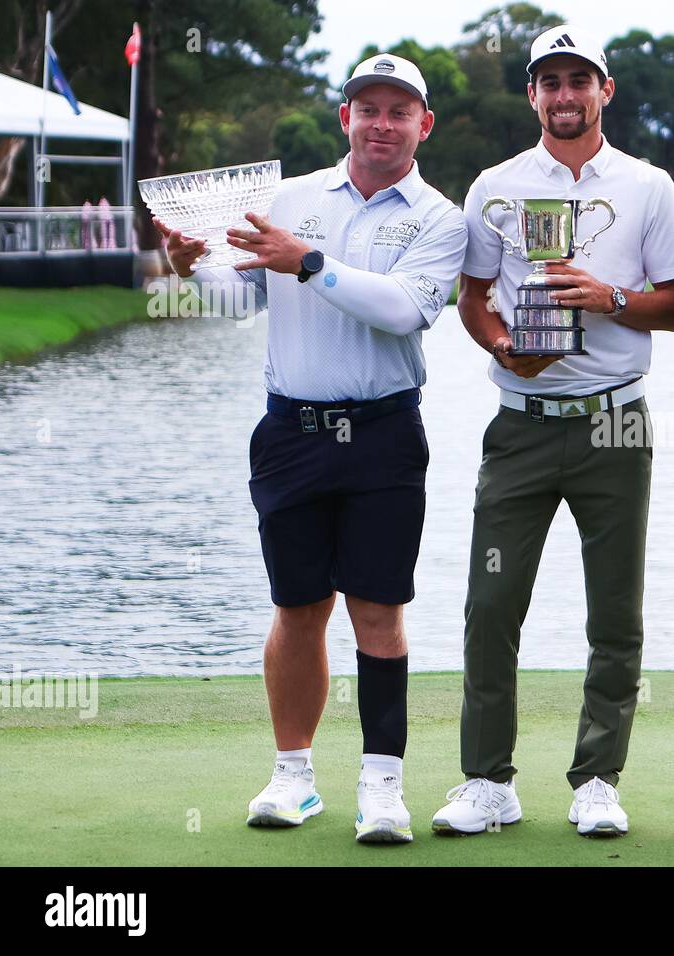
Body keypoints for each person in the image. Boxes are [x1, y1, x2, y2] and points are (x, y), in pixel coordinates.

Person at [154, 53, 467, 845]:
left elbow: (402, 311)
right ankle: (293, 777)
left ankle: (382, 786)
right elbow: (242, 295)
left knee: (377, 611)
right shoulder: (288, 200)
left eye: (400, 111)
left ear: (423, 126)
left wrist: (313, 262)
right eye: (369, 108)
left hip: (384, 435)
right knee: (297, 609)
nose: (383, 123)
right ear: (346, 120)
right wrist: (190, 268)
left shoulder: (439, 217)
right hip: (290, 432)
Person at [430, 25, 674, 838]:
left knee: (615, 611)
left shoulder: (647, 186)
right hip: (521, 421)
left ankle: (598, 778)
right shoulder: (494, 186)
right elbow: (474, 297)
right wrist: (505, 345)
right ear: (533, 94)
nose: (566, 95)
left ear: (604, 91)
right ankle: (487, 780)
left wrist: (606, 297)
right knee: (491, 606)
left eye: (581, 80)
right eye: (551, 81)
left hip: (615, 418)